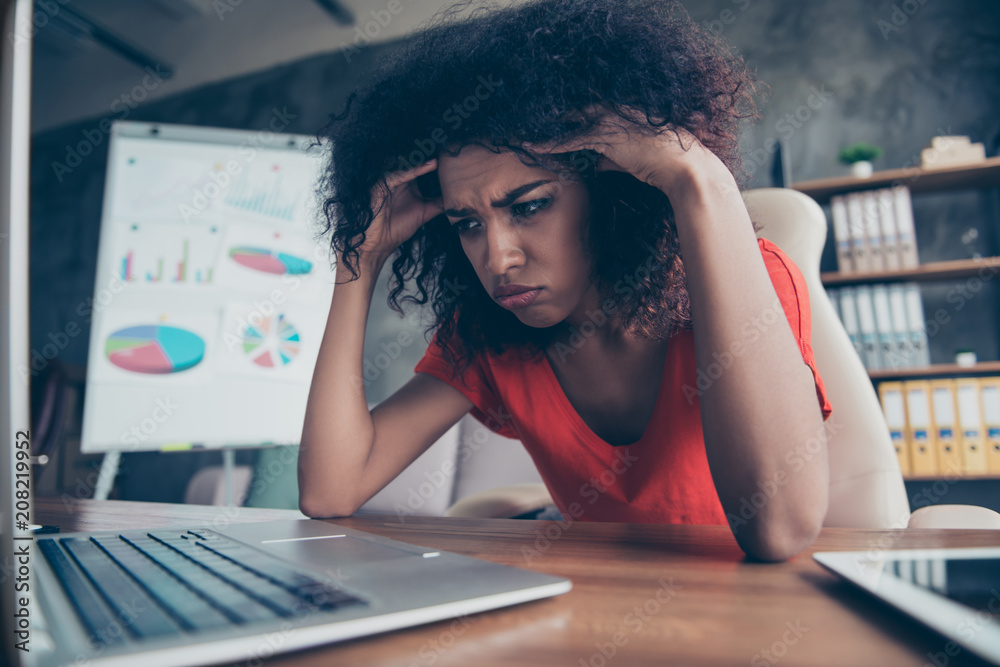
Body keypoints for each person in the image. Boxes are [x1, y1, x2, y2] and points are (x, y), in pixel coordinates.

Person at [299, 0, 833, 562]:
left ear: (608, 195)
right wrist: (357, 260)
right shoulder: (488, 335)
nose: (498, 259)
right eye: (468, 225)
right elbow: (330, 490)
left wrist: (698, 177)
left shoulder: (755, 280)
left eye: (529, 206)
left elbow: (778, 530)